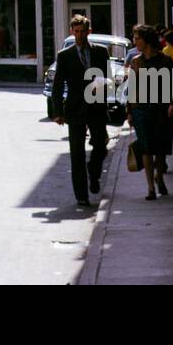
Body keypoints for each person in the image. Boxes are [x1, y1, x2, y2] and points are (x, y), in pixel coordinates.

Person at [51, 14, 109, 208]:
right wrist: (57, 112)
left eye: (83, 31)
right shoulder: (64, 55)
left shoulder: (101, 52)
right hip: (75, 109)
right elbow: (57, 85)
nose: (80, 35)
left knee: (100, 145)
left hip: (96, 106)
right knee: (76, 153)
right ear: (71, 32)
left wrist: (100, 85)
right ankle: (81, 196)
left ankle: (93, 172)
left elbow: (106, 78)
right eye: (76, 31)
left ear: (89, 32)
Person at [126, 24, 173, 199]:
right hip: (141, 110)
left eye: (137, 38)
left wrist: (172, 103)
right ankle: (150, 187)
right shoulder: (135, 62)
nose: (134, 41)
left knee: (160, 149)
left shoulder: (164, 60)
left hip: (160, 110)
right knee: (146, 148)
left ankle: (159, 177)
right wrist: (129, 112)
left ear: (146, 40)